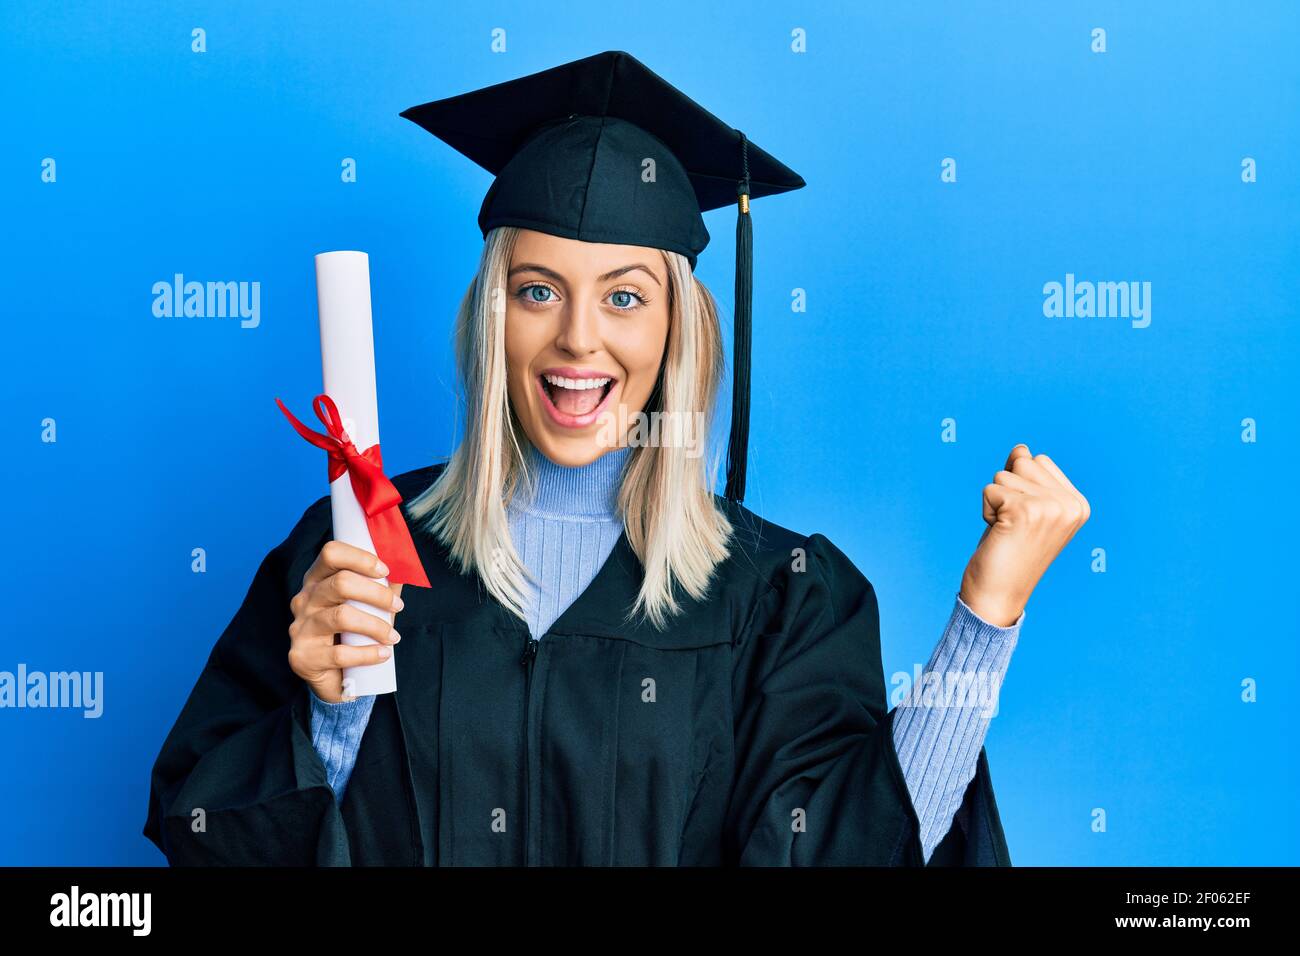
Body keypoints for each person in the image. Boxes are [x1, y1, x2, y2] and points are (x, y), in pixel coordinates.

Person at [143, 51, 1089, 866]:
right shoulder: (362, 545)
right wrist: (331, 714)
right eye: (538, 289)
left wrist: (986, 618)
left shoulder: (777, 595)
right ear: (491, 315)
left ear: (681, 324)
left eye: (627, 297)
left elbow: (859, 850)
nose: (578, 341)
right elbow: (214, 836)